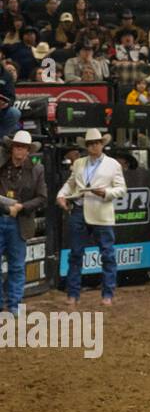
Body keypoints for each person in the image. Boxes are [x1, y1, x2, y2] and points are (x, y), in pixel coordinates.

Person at [56, 129, 126, 306]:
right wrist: (61, 195)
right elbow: (70, 183)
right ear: (86, 146)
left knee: (107, 254)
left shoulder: (113, 165)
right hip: (80, 210)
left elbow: (121, 189)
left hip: (100, 211)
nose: (94, 146)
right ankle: (73, 294)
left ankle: (107, 294)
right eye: (90, 143)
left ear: (102, 144)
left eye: (96, 143)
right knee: (76, 254)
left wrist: (105, 193)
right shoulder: (79, 163)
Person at [0, 130, 46, 314]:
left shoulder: (37, 170)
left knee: (17, 266)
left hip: (20, 221)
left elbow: (42, 197)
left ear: (28, 151)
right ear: (11, 148)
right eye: (17, 146)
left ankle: (14, 305)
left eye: (24, 148)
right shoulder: (2, 164)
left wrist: (22, 207)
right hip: (2, 216)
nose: (20, 151)